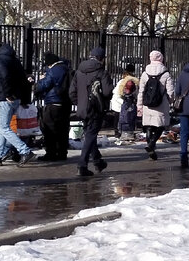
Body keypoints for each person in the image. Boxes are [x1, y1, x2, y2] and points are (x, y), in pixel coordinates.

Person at [0, 42, 36, 166]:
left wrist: (7, 93)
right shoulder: (14, 59)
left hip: (4, 98)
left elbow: (4, 76)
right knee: (1, 128)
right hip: (15, 98)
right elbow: (22, 79)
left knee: (3, 128)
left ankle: (25, 151)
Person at [72, 46, 111, 176]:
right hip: (95, 108)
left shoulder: (79, 71)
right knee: (90, 135)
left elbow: (72, 92)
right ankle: (82, 165)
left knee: (90, 134)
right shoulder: (102, 72)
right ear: (101, 58)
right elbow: (107, 91)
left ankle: (98, 161)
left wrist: (80, 103)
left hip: (83, 109)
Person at [33, 52, 72, 161]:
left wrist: (40, 80)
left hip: (53, 103)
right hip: (65, 103)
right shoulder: (66, 68)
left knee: (49, 129)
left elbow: (44, 85)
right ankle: (62, 153)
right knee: (63, 129)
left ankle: (51, 153)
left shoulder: (54, 70)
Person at [138, 50, 174, 160]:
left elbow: (141, 91)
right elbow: (171, 91)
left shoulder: (145, 73)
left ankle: (150, 146)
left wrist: (139, 105)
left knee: (148, 125)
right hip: (161, 103)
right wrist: (170, 101)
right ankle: (152, 143)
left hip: (147, 103)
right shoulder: (166, 74)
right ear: (161, 59)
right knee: (160, 125)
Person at [112, 63, 139, 139]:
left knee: (119, 117)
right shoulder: (130, 81)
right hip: (122, 102)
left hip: (120, 102)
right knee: (122, 117)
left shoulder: (123, 80)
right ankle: (119, 132)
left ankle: (118, 132)